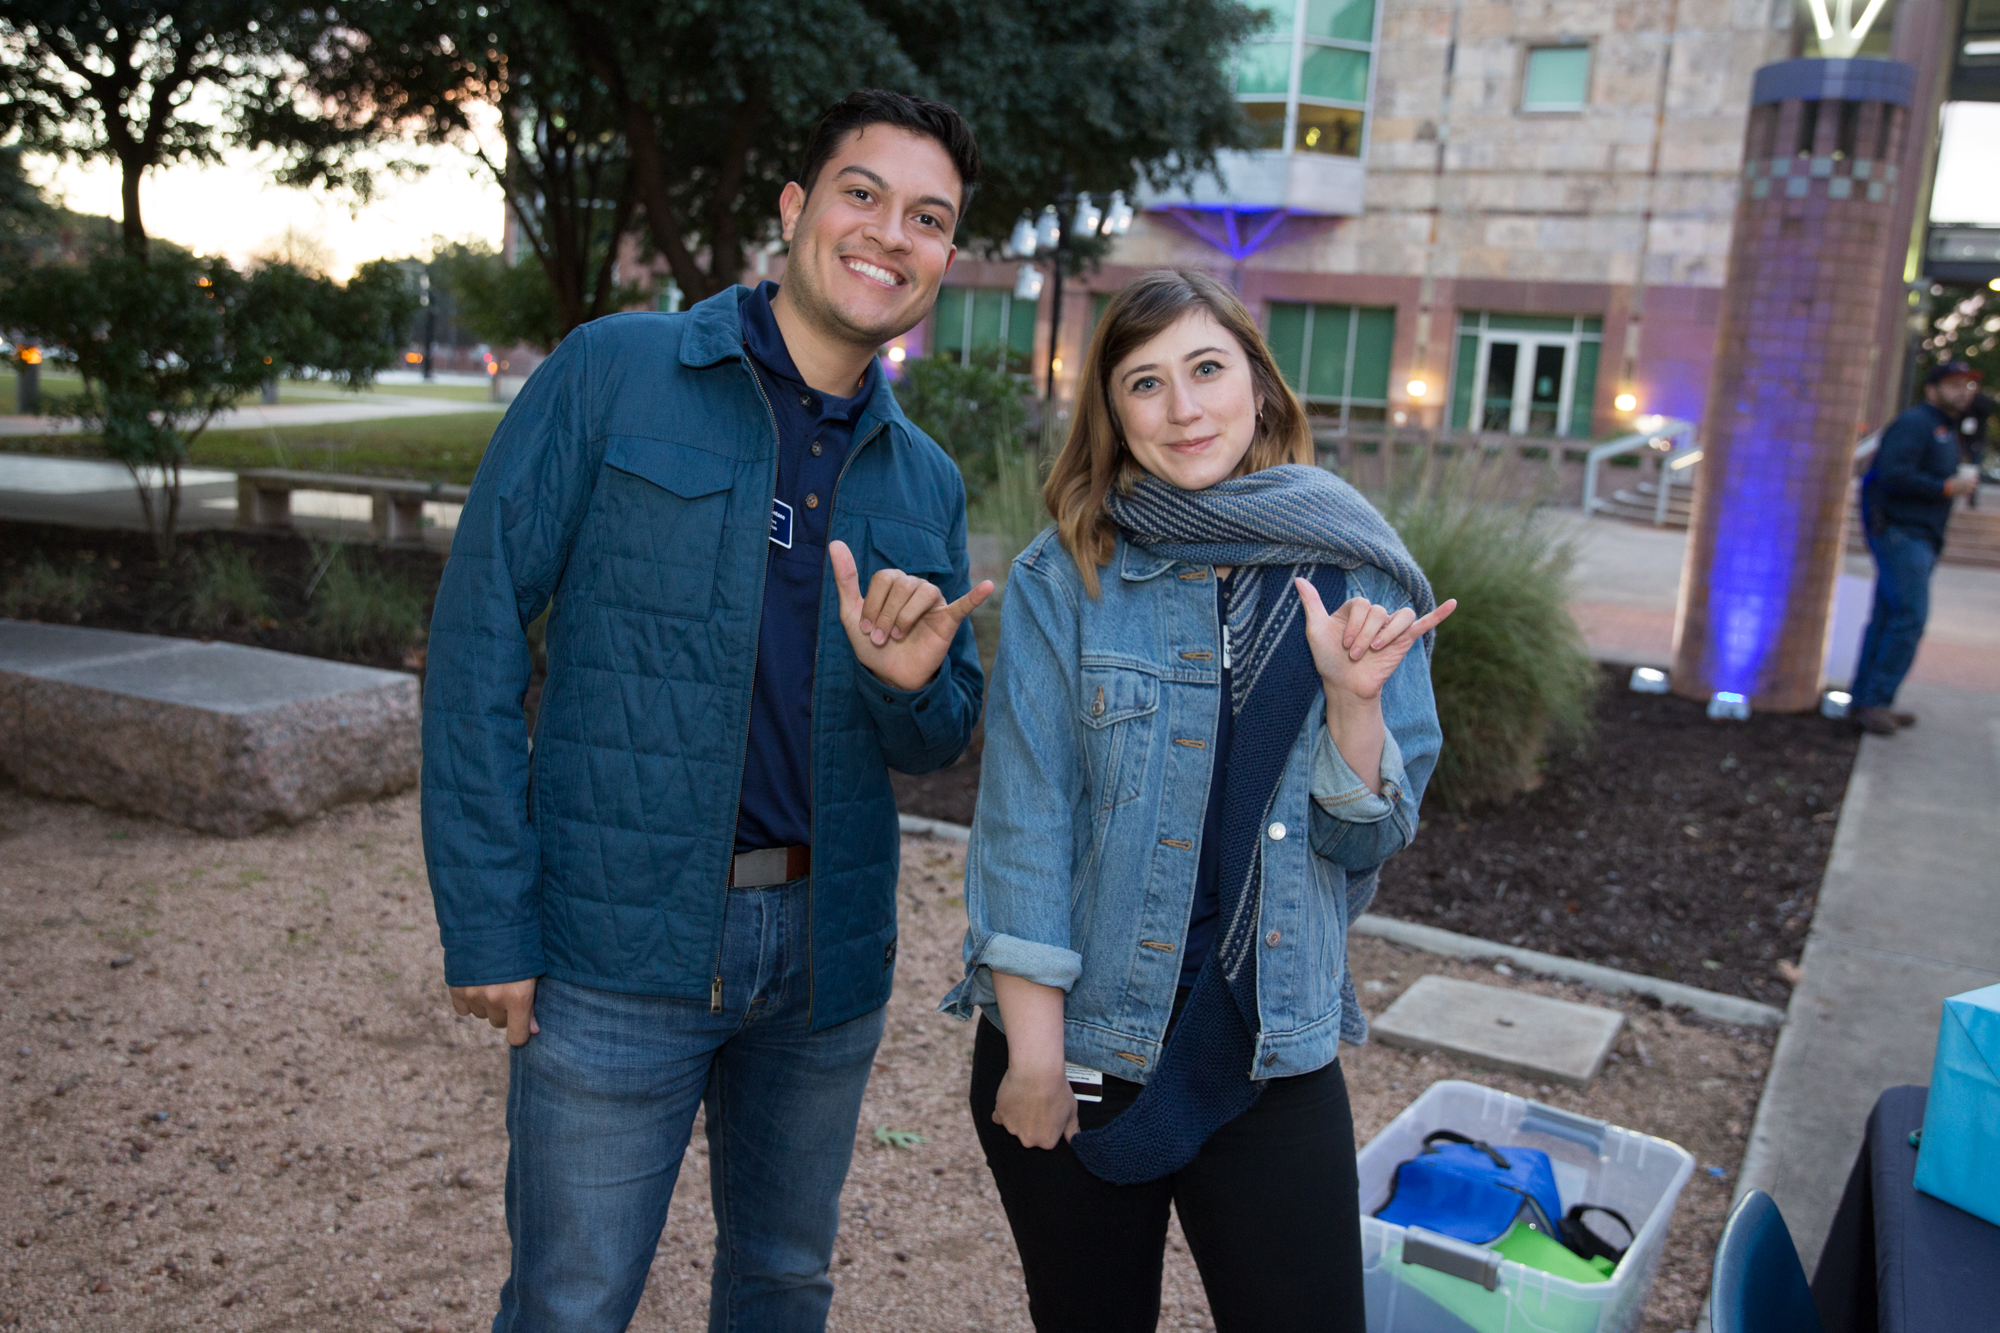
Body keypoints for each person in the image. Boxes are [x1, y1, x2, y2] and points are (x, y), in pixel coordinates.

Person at [421, 90, 992, 1333]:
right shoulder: (615, 371)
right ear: (794, 209)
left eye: (928, 218)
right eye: (862, 193)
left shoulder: (923, 478)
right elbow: (472, 636)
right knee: (571, 1301)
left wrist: (914, 686)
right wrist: (485, 918)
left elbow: (939, 731)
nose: (889, 233)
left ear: (944, 260)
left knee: (784, 1284)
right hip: (611, 945)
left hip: (824, 960)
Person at [941, 268, 1454, 1332]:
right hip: (1082, 1044)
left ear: (1257, 386)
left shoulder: (1357, 569)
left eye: (1206, 369)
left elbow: (1361, 839)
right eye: (1145, 383)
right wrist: (1036, 1059)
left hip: (1264, 1040)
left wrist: (1354, 705)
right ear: (1111, 413)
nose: (1183, 408)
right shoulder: (1064, 575)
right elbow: (1024, 820)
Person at [1850, 361, 1982, 735]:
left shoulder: (1944, 430)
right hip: (1901, 533)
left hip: (1920, 535)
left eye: (1967, 386)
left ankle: (1866, 701)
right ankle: (1876, 700)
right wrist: (1944, 488)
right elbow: (1891, 476)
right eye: (1954, 384)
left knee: (1888, 619)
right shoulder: (1915, 424)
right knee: (1909, 618)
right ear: (1932, 389)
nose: (1963, 391)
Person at [1957, 384, 1992, 508]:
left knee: (1975, 470)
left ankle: (1972, 497)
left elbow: (1984, 410)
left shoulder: (1980, 402)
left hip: (1976, 441)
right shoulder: (1963, 402)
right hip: (1963, 440)